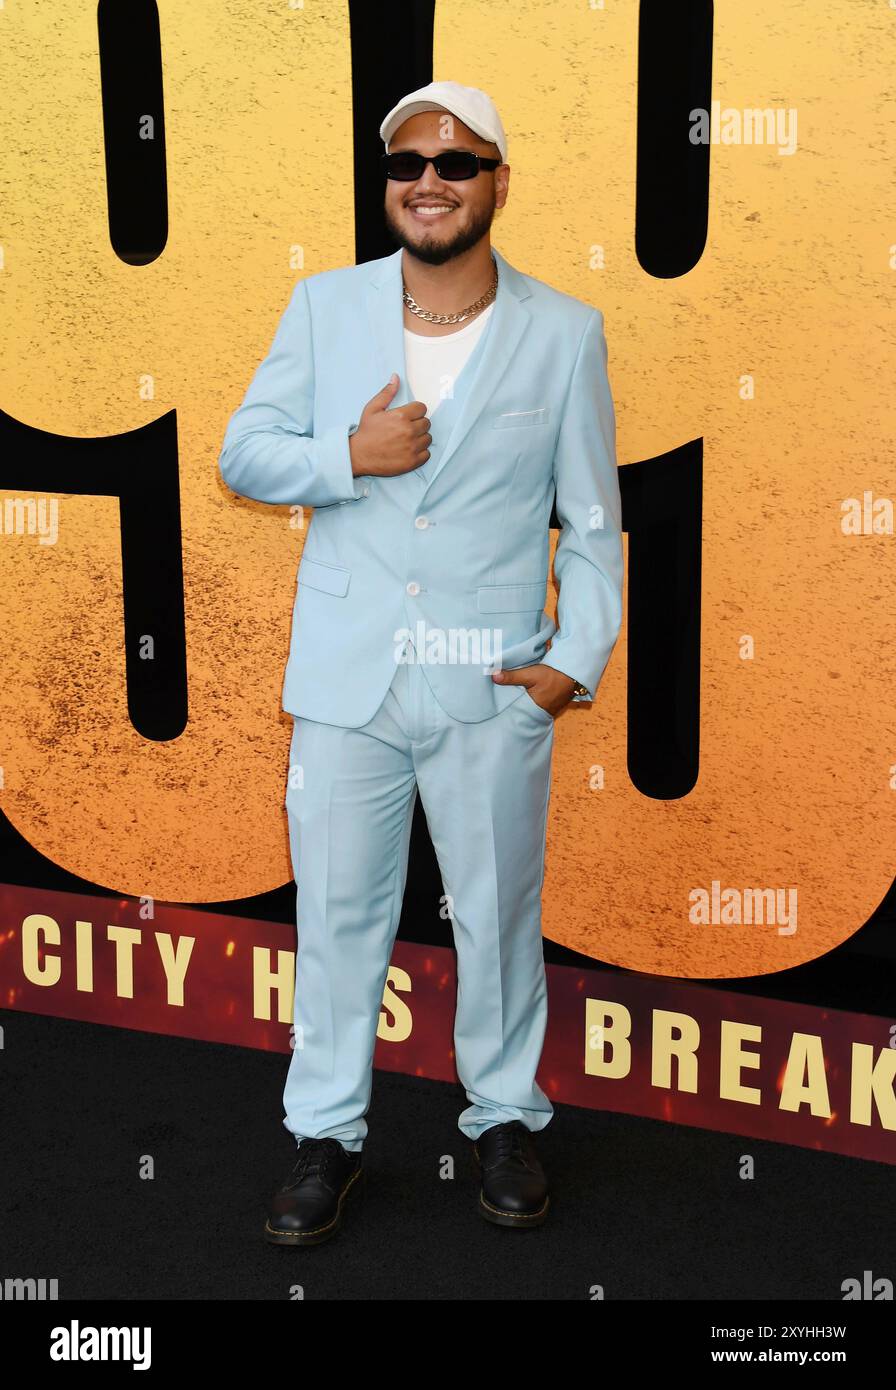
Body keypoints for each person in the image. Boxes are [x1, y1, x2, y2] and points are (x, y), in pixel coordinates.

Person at [218, 80, 624, 1244]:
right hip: (347, 678)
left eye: (455, 160)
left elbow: (591, 524)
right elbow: (244, 455)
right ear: (388, 186)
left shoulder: (563, 332)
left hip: (494, 683)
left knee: (497, 911)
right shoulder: (322, 306)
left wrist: (572, 661)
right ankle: (325, 1136)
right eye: (405, 164)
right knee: (338, 913)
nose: (428, 180)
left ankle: (502, 1116)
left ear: (498, 181)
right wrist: (348, 456)